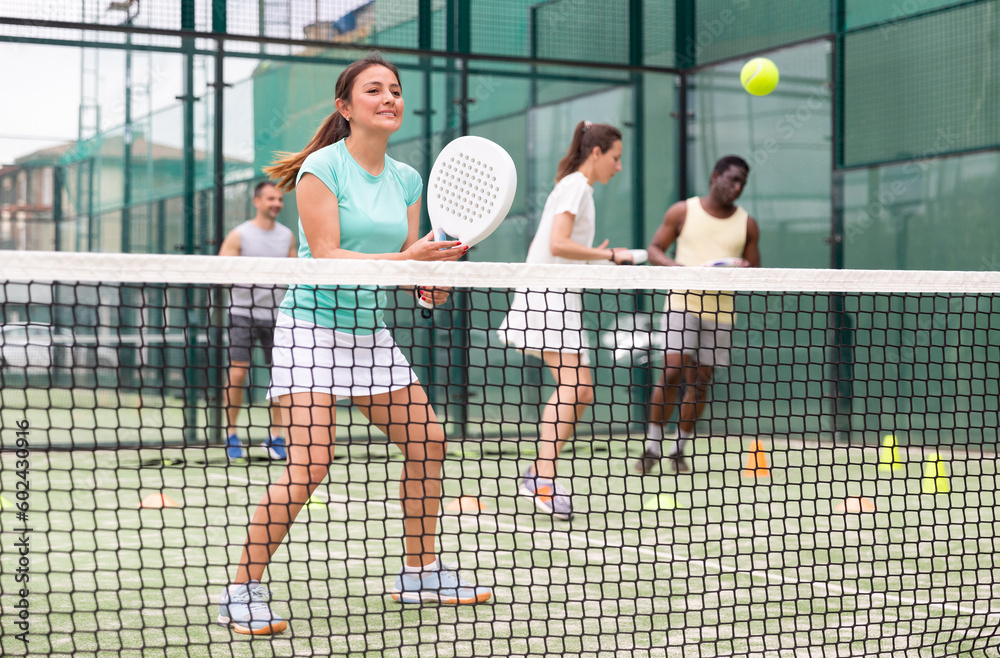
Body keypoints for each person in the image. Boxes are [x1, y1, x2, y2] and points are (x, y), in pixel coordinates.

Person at [217, 52, 492, 636]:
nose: (389, 98)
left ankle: (419, 573)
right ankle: (241, 589)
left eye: (395, 90)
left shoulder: (409, 180)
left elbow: (413, 270)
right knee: (311, 465)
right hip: (311, 330)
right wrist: (408, 260)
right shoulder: (322, 168)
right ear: (346, 107)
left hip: (371, 333)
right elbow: (327, 256)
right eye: (374, 90)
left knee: (429, 443)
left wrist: (430, 287)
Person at [498, 120, 634, 521]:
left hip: (559, 297)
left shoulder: (579, 188)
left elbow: (560, 248)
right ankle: (542, 477)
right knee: (574, 386)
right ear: (597, 153)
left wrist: (598, 257)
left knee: (583, 392)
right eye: (616, 158)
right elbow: (558, 243)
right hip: (546, 298)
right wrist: (608, 255)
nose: (619, 166)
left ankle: (537, 472)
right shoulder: (576, 185)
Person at [635, 155, 761, 475]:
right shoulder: (682, 211)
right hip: (682, 304)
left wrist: (744, 269)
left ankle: (678, 450)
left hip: (721, 314)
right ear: (714, 176)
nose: (736, 187)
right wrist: (678, 270)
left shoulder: (747, 223)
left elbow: (755, 269)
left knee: (701, 383)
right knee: (673, 372)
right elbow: (654, 250)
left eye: (742, 183)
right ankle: (652, 448)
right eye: (731, 179)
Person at [218, 181, 296, 463]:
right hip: (242, 313)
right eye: (270, 198)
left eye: (280, 199)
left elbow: (293, 271)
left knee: (281, 377)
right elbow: (221, 270)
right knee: (238, 373)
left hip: (277, 316)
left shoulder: (287, 235)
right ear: (257, 202)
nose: (276, 203)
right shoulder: (240, 235)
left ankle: (276, 436)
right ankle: (230, 434)